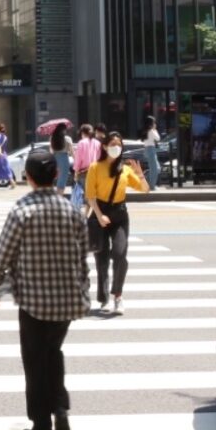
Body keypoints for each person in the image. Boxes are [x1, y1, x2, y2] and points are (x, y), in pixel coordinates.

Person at [0, 150, 90, 430]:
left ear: (28, 177)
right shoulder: (72, 210)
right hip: (67, 300)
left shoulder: (22, 210)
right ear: (56, 176)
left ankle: (42, 427)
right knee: (53, 351)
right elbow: (83, 258)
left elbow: (3, 254)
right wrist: (83, 289)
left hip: (33, 301)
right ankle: (59, 406)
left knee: (34, 361)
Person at [85, 131, 150, 316]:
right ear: (105, 146)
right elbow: (90, 196)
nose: (116, 147)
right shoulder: (95, 167)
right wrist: (99, 216)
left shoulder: (125, 169)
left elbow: (145, 190)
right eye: (113, 144)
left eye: (119, 144)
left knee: (120, 254)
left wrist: (140, 175)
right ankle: (104, 298)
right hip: (100, 215)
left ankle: (118, 295)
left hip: (120, 215)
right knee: (102, 259)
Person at [69, 124, 101, 207]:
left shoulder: (81, 143)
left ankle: (87, 215)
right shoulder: (97, 143)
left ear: (83, 133)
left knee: (85, 194)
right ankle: (88, 214)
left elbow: (78, 159)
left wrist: (76, 172)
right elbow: (100, 158)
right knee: (91, 195)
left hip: (83, 172)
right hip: (95, 171)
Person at [50, 123, 72, 192]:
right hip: (64, 158)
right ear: (63, 130)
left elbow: (51, 151)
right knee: (63, 178)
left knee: (55, 177)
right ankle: (60, 195)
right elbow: (71, 151)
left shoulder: (52, 138)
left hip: (54, 158)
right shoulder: (67, 138)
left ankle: (55, 194)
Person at [141, 116, 162, 190]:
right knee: (155, 169)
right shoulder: (151, 131)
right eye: (154, 122)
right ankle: (152, 186)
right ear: (151, 123)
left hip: (148, 149)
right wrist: (155, 129)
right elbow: (158, 138)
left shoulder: (146, 131)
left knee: (157, 168)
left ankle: (147, 181)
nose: (155, 124)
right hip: (151, 149)